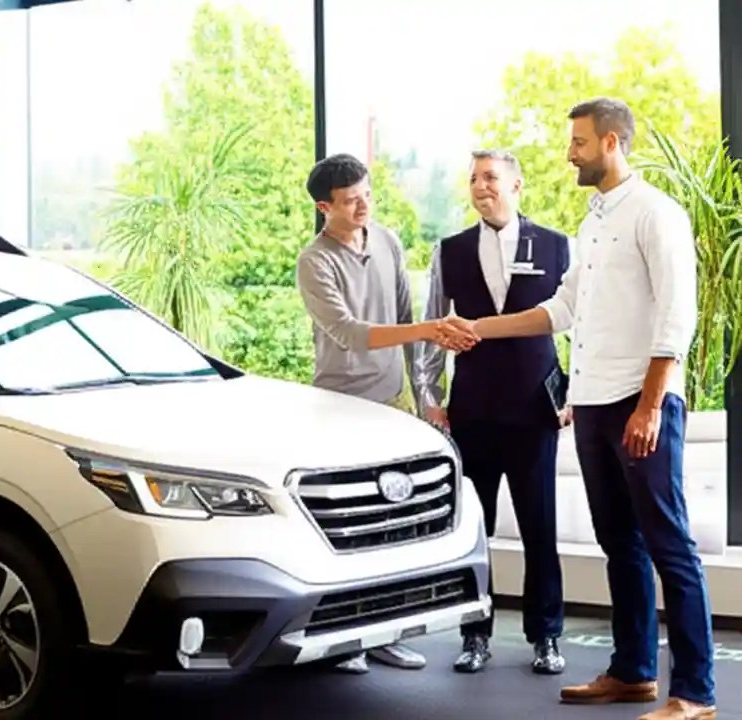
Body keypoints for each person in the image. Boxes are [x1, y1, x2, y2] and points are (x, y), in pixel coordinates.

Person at [449, 97, 715, 720]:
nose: (570, 152)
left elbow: (678, 317)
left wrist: (651, 405)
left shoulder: (657, 214)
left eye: (579, 142)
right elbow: (559, 312)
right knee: (618, 542)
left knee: (667, 542)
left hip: (638, 401)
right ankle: (633, 672)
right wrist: (477, 329)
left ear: (613, 143)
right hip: (591, 404)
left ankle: (696, 692)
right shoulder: (594, 221)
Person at [295, 152, 474, 675]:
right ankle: (348, 642)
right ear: (324, 206)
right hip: (340, 406)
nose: (362, 206)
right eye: (350, 201)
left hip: (391, 404)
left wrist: (423, 399)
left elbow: (403, 320)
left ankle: (386, 633)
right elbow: (349, 333)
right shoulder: (315, 261)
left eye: (367, 195)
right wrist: (427, 329)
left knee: (396, 528)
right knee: (353, 534)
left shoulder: (389, 242)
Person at [414, 149, 570, 675]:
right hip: (473, 411)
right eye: (475, 178)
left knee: (538, 530)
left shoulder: (555, 245)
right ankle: (474, 634)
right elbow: (434, 325)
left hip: (534, 412)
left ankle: (546, 636)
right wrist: (429, 399)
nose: (481, 186)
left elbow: (581, 323)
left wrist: (575, 391)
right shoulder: (450, 250)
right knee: (472, 531)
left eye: (491, 178)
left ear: (517, 185)